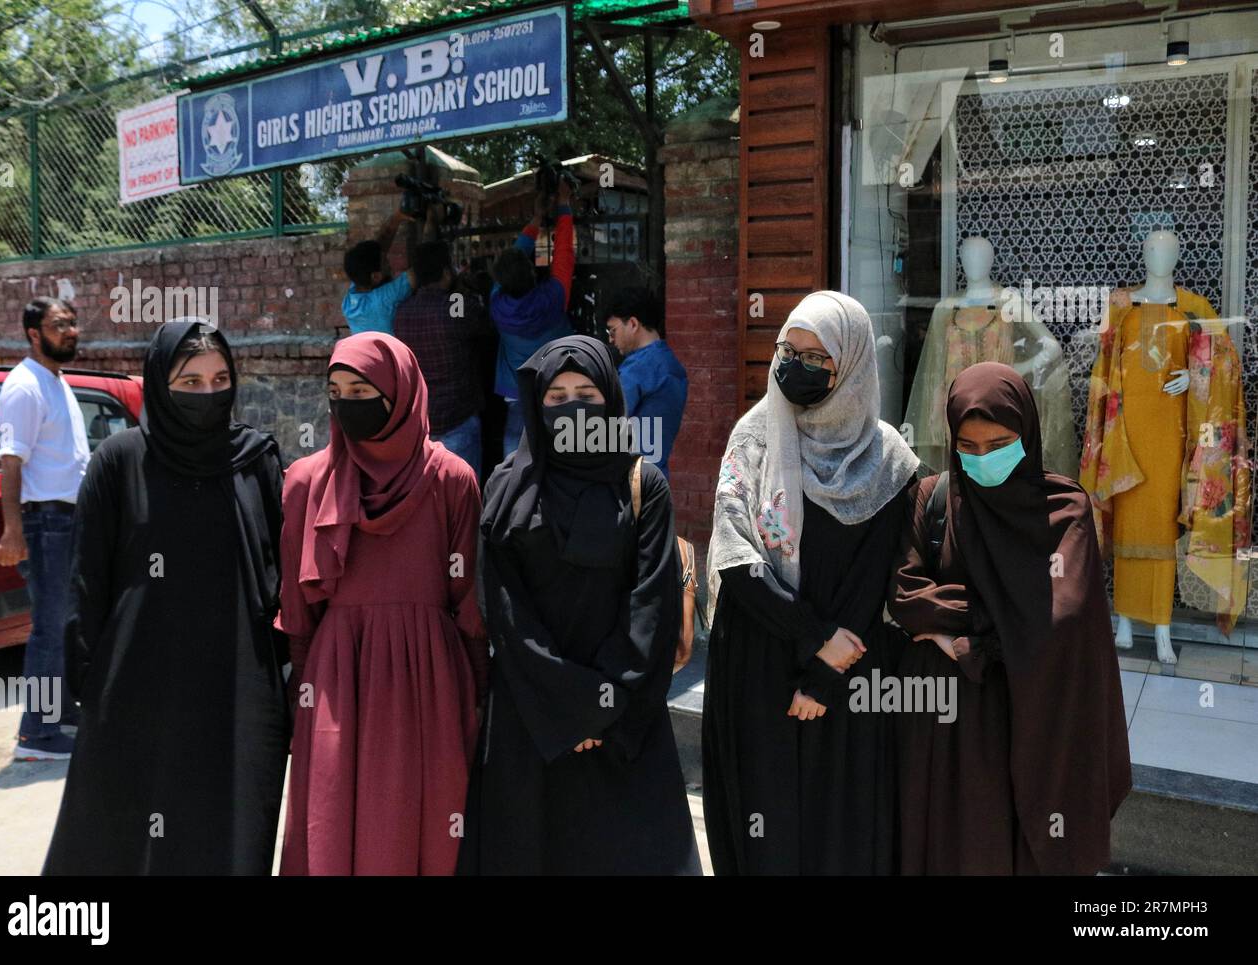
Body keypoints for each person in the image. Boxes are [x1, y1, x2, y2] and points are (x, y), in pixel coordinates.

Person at [42, 320, 289, 874]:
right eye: (190, 382)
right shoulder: (121, 460)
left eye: (220, 379)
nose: (208, 394)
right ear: (159, 383)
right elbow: (86, 584)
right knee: (129, 841)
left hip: (238, 692)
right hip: (139, 690)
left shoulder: (256, 461)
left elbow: (285, 579)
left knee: (231, 835)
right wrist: (88, 689)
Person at [458, 335, 700, 875]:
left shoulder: (643, 485)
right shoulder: (505, 488)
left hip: (624, 722)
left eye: (585, 392)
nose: (570, 406)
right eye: (556, 395)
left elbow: (650, 607)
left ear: (611, 400)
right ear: (537, 405)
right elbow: (505, 613)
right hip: (533, 722)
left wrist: (602, 703)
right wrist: (568, 709)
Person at [702, 291, 920, 875]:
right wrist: (812, 633)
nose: (792, 365)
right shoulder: (753, 438)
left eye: (814, 357)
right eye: (785, 349)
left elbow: (875, 576)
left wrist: (824, 671)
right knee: (762, 823)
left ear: (849, 365)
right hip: (759, 662)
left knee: (838, 826)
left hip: (849, 670)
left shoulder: (889, 459)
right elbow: (734, 555)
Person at [888, 361, 1131, 875]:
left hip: (1026, 714)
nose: (982, 460)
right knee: (948, 843)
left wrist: (971, 642)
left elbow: (1061, 620)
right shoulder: (932, 500)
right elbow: (906, 595)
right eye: (968, 448)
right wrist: (1002, 613)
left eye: (999, 446)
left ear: (1027, 433)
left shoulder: (1064, 511)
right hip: (943, 723)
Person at [278, 332, 487, 876]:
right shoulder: (305, 481)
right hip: (336, 681)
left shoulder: (452, 480)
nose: (348, 404)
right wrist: (304, 695)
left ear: (402, 391)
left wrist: (477, 693)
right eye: (336, 391)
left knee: (423, 822)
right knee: (333, 817)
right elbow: (298, 611)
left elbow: (468, 603)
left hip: (430, 682)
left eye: (363, 389)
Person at [0, 297, 89, 761]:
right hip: (45, 522)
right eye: (60, 325)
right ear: (34, 333)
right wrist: (13, 531)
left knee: (67, 624)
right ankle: (36, 735)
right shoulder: (24, 386)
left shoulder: (56, 379)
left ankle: (61, 713)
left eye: (72, 323)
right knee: (49, 631)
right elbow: (11, 463)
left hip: (68, 519)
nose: (71, 331)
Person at [393, 229, 491, 477]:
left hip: (422, 423)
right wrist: (461, 288)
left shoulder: (402, 313)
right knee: (466, 499)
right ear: (447, 272)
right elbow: (482, 323)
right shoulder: (455, 308)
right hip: (458, 419)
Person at [490, 180, 576, 456]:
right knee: (558, 454)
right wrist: (563, 207)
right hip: (556, 388)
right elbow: (564, 253)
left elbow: (512, 261)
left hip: (518, 393)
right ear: (531, 272)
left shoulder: (497, 304)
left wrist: (536, 218)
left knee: (514, 455)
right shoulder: (554, 298)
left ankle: (513, 494)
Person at [605, 286, 688, 478]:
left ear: (633, 324)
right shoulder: (670, 363)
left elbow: (607, 423)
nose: (610, 339)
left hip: (630, 481)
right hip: (656, 476)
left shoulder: (639, 368)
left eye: (613, 330)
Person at [341, 206, 416, 335]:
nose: (390, 265)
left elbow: (377, 248)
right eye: (386, 263)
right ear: (376, 277)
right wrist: (431, 222)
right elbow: (422, 267)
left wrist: (397, 218)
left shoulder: (350, 301)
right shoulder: (383, 300)